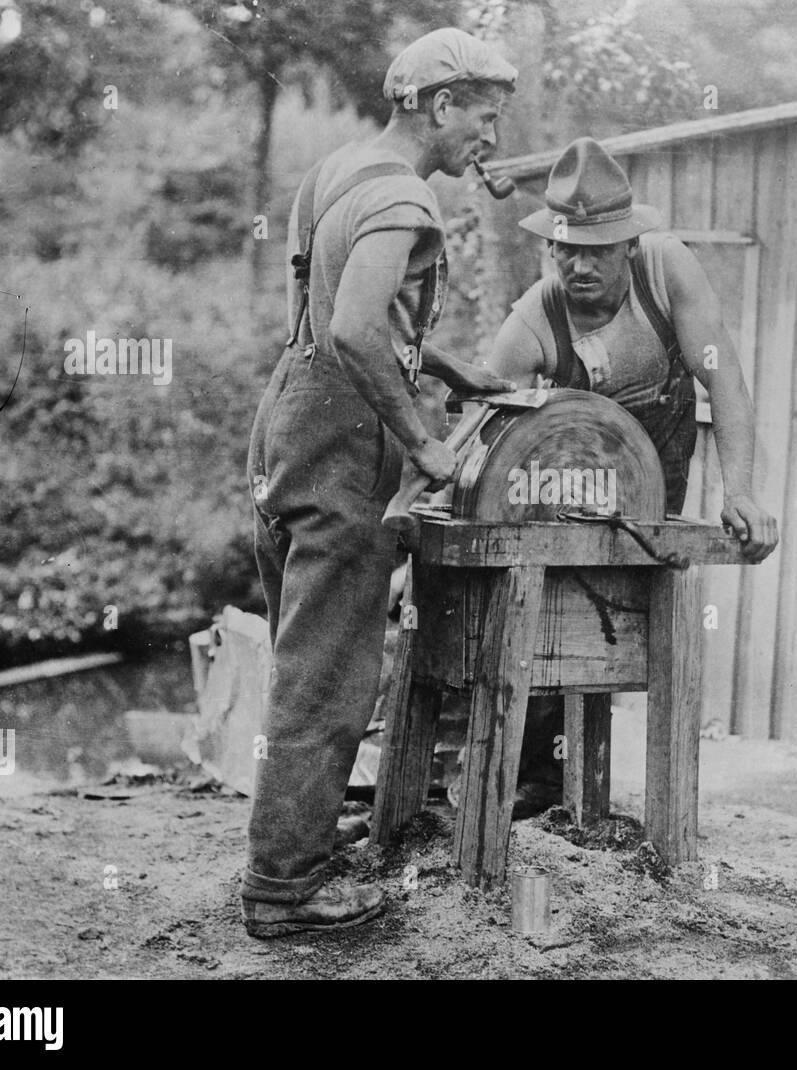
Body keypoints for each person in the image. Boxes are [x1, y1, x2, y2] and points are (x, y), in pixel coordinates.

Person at [242, 28, 516, 938]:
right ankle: (285, 891)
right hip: (341, 444)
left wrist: (452, 367)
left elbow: (340, 316)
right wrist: (426, 440)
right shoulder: (405, 200)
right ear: (439, 105)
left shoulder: (342, 171)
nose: (488, 135)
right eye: (482, 113)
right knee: (329, 671)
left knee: (305, 652)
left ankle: (294, 850)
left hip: (288, 421)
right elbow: (358, 331)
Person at [485, 137, 778, 816]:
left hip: (661, 439)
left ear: (627, 245)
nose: (579, 265)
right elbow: (481, 438)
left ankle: (607, 781)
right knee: (556, 590)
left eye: (596, 250)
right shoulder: (530, 324)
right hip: (566, 461)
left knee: (628, 594)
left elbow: (723, 378)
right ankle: (543, 776)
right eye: (567, 250)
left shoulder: (668, 266)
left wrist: (740, 492)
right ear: (550, 246)